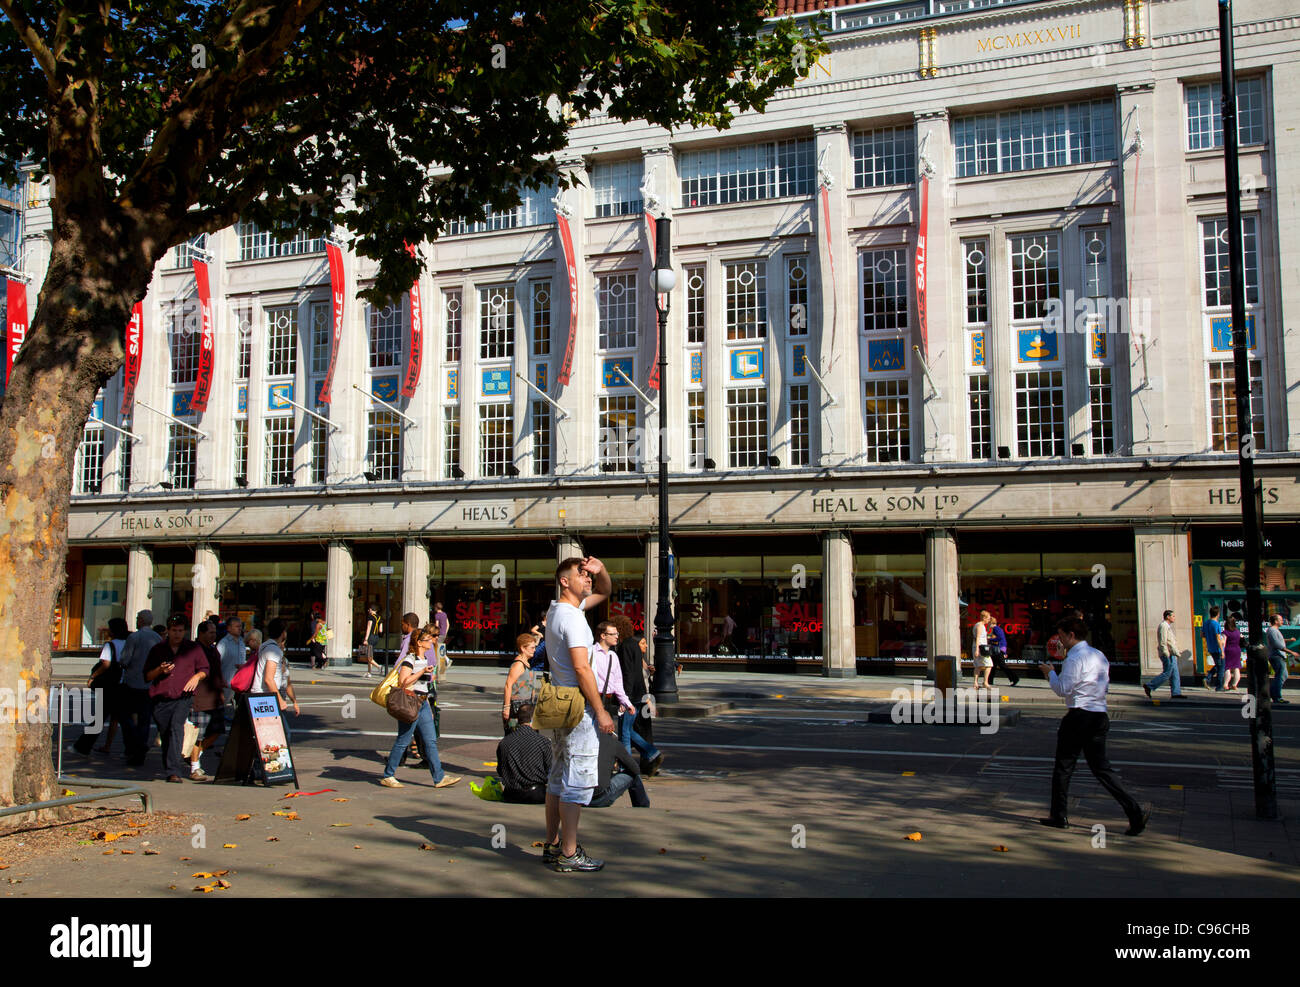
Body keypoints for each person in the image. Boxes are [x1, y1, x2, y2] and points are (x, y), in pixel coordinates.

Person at [1037, 616, 1148, 835]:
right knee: (1101, 769)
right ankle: (1134, 812)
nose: (1059, 641)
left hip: (1079, 715)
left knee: (1064, 768)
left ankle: (1059, 815)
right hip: (1099, 714)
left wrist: (1049, 673)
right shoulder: (1099, 655)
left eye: (1061, 636)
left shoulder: (1074, 659)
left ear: (1071, 635)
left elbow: (1063, 689)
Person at [542, 556, 615, 873]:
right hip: (576, 703)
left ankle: (552, 844)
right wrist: (600, 710)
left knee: (558, 776)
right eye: (581, 574)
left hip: (556, 698)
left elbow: (606, 591)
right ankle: (569, 854)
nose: (588, 579)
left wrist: (602, 571)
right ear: (564, 581)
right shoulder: (572, 618)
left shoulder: (561, 610)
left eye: (588, 575)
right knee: (577, 781)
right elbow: (582, 667)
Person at [379, 624, 461, 789]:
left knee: (430, 741)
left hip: (423, 702)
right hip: (410, 702)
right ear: (419, 643)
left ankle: (439, 778)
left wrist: (429, 706)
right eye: (426, 639)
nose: (430, 641)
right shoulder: (410, 660)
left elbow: (425, 686)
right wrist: (420, 671)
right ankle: (388, 775)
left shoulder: (424, 660)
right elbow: (403, 682)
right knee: (403, 741)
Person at [144, 614, 211, 783]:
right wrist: (160, 670)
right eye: (174, 630)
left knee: (176, 727)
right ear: (168, 631)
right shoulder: (158, 649)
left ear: (185, 631)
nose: (177, 634)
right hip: (161, 698)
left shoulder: (193, 649)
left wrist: (196, 677)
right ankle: (170, 767)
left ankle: (174, 771)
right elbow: (147, 676)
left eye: (180, 631)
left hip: (183, 697)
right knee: (166, 733)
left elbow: (204, 669)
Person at [609, 615, 664, 773]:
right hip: (640, 693)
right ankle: (651, 752)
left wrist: (624, 697)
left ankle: (626, 766)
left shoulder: (625, 647)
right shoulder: (633, 645)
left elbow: (627, 673)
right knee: (629, 730)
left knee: (625, 732)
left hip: (630, 694)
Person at [74, 616, 129, 755]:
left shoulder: (110, 645)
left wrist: (93, 676)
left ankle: (84, 745)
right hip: (124, 684)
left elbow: (105, 664)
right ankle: (112, 745)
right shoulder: (129, 643)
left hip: (110, 685)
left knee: (99, 717)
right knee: (118, 718)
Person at [118, 609, 162, 767]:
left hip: (133, 682)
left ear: (141, 620)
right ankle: (140, 744)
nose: (136, 620)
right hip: (150, 684)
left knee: (126, 716)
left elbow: (124, 660)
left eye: (137, 618)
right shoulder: (157, 638)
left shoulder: (134, 637)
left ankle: (133, 745)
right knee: (144, 718)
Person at [188, 619, 226, 779]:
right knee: (198, 735)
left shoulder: (213, 649)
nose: (214, 635)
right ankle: (194, 767)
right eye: (210, 632)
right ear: (201, 633)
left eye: (215, 632)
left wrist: (221, 690)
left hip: (214, 697)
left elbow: (217, 671)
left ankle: (195, 756)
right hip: (200, 698)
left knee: (217, 731)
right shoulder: (194, 649)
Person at [495, 702, 550, 803]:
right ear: (534, 719)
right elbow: (550, 770)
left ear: (518, 720)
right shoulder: (543, 742)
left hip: (511, 794)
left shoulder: (504, 742)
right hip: (536, 794)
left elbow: (500, 770)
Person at [255, 618, 299, 739]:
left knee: (265, 735)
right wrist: (280, 700)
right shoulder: (274, 650)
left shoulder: (265, 646)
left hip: (262, 696)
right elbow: (269, 679)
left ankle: (262, 757)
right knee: (283, 735)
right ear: (283, 633)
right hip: (266, 697)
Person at [588, 731, 650, 809]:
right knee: (633, 775)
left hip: (576, 797)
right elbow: (635, 769)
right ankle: (643, 807)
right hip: (600, 797)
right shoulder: (613, 742)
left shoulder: (580, 739)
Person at [502, 633, 540, 735]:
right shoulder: (518, 664)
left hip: (527, 705)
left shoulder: (526, 663)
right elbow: (508, 685)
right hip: (517, 707)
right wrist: (506, 707)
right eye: (532, 648)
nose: (534, 650)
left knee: (530, 736)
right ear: (523, 648)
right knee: (516, 736)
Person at [1143, 609, 1184, 700]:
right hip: (1167, 654)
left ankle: (1176, 693)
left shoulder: (1167, 626)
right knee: (1167, 673)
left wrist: (1176, 651)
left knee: (1175, 673)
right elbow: (1163, 641)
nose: (1174, 618)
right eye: (1173, 616)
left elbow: (1171, 642)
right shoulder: (1163, 626)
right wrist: (1166, 653)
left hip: (1171, 653)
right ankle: (1150, 685)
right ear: (1167, 617)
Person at [1266, 614, 1297, 704]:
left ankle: (1273, 694)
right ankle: (1276, 696)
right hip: (1277, 656)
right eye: (1280, 620)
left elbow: (1280, 641)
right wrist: (1292, 652)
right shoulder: (1272, 630)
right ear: (1275, 621)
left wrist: (1289, 640)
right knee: (1280, 676)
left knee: (1283, 675)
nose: (1282, 621)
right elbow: (1277, 644)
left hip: (1279, 656)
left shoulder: (1275, 631)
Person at [216, 616, 246, 709]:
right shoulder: (223, 643)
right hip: (226, 685)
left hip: (239, 685)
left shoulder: (242, 642)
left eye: (240, 626)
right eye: (237, 626)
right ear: (229, 628)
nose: (240, 628)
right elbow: (216, 663)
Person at [986, 614, 1019, 687]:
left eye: (988, 622)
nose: (987, 624)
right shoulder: (998, 628)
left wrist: (990, 639)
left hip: (998, 649)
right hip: (1000, 648)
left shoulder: (996, 629)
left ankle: (1014, 678)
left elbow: (999, 638)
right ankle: (989, 681)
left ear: (991, 623)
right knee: (993, 665)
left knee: (1002, 665)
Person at [1203, 605, 1224, 691]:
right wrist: (1222, 651)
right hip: (1217, 648)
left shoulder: (1206, 623)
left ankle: (1207, 678)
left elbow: (1202, 634)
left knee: (1218, 665)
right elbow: (1218, 638)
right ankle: (1219, 686)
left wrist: (1208, 636)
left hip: (1210, 647)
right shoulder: (1216, 624)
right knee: (1221, 667)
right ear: (1218, 614)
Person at [1220, 616, 1243, 692]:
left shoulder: (1225, 632)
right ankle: (1234, 685)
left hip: (1228, 650)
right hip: (1237, 650)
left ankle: (1225, 684)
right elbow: (1241, 639)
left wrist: (1221, 650)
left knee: (1227, 668)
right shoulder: (1237, 631)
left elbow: (1223, 643)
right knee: (1236, 668)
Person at [972, 610, 992, 689]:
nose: (989, 620)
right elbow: (978, 638)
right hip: (981, 648)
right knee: (989, 664)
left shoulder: (979, 625)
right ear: (984, 618)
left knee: (978, 666)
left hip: (978, 647)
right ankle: (985, 682)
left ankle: (975, 683)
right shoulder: (980, 626)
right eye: (988, 618)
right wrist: (977, 649)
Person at [362, 604, 383, 676]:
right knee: (370, 654)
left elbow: (369, 627)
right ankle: (369, 672)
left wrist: (366, 639)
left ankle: (379, 667)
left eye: (369, 609)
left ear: (371, 609)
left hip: (370, 637)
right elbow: (380, 630)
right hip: (376, 637)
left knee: (368, 656)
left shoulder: (370, 617)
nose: (368, 611)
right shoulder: (380, 618)